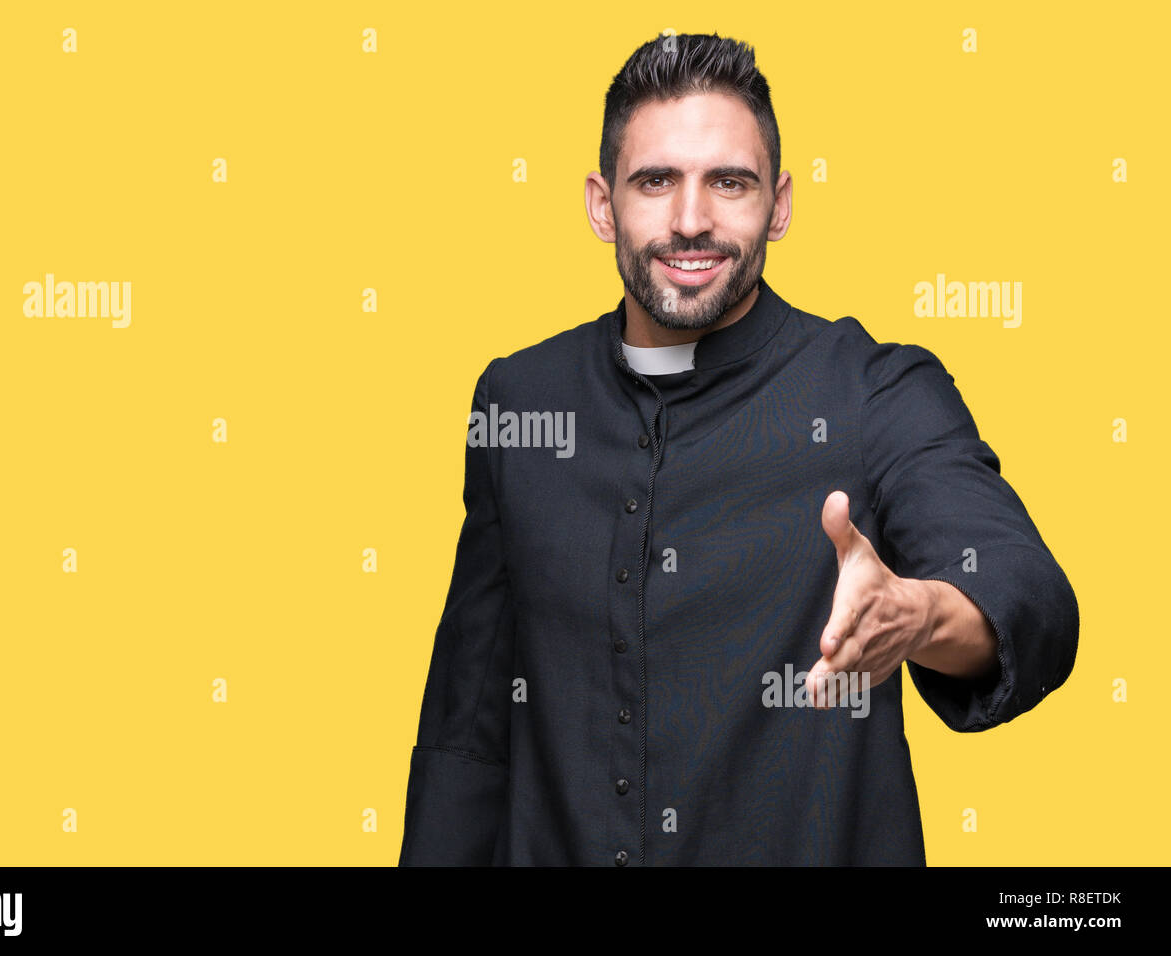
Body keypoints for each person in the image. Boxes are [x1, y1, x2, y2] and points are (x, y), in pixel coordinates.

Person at [397, 32, 1079, 866]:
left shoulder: (875, 391)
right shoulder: (518, 400)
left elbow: (1029, 594)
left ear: (780, 205)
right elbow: (467, 727)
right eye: (655, 181)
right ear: (602, 204)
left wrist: (922, 616)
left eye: (730, 182)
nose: (691, 221)